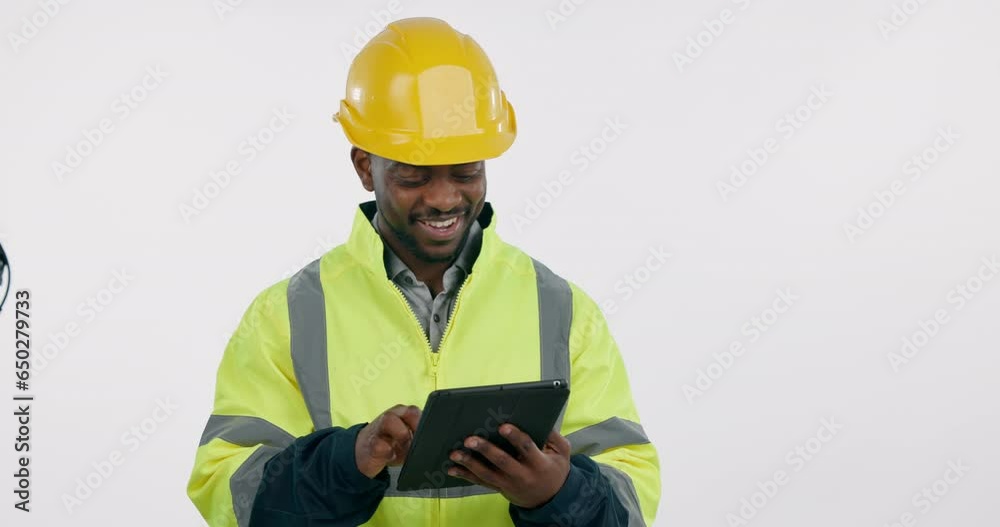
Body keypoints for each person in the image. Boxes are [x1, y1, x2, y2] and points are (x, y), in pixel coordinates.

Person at [186, 17, 660, 527]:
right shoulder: (286, 316)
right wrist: (344, 465)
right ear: (364, 166)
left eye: (466, 171)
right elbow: (230, 495)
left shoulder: (562, 311)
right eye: (414, 174)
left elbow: (631, 498)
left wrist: (558, 496)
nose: (444, 198)